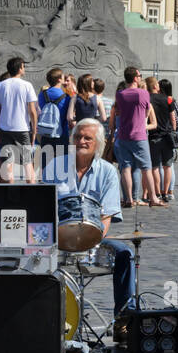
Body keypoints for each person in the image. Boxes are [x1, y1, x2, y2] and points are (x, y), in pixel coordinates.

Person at [42, 118, 137, 317]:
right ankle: (43, 316)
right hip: (57, 237)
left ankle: (124, 319)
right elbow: (42, 208)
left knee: (125, 254)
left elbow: (107, 215)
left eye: (87, 138)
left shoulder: (109, 172)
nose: (81, 141)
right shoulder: (54, 166)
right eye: (77, 137)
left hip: (94, 238)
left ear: (99, 144)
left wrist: (90, 240)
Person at [112, 66, 163, 207]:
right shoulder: (143, 93)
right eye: (139, 75)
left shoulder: (120, 94)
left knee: (125, 168)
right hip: (139, 135)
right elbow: (147, 111)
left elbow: (119, 111)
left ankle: (128, 199)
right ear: (135, 78)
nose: (140, 77)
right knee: (146, 168)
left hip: (123, 135)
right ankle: (153, 198)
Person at [0, 57, 38, 183]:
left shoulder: (0, 86)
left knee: (7, 161)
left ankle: (10, 192)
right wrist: (34, 130)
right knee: (27, 162)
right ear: (20, 68)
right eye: (24, 66)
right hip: (22, 129)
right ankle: (32, 190)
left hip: (5, 129)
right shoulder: (27, 85)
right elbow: (32, 111)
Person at [146, 76, 177, 201]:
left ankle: (157, 192)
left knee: (154, 167)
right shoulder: (169, 99)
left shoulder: (147, 99)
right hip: (167, 136)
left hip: (153, 136)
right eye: (157, 84)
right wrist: (173, 129)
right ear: (154, 86)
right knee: (167, 166)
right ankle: (166, 192)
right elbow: (173, 118)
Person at [36, 67, 71, 169]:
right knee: (62, 164)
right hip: (61, 133)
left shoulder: (42, 95)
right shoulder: (66, 97)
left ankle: (44, 183)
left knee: (45, 163)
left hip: (46, 131)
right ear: (59, 79)